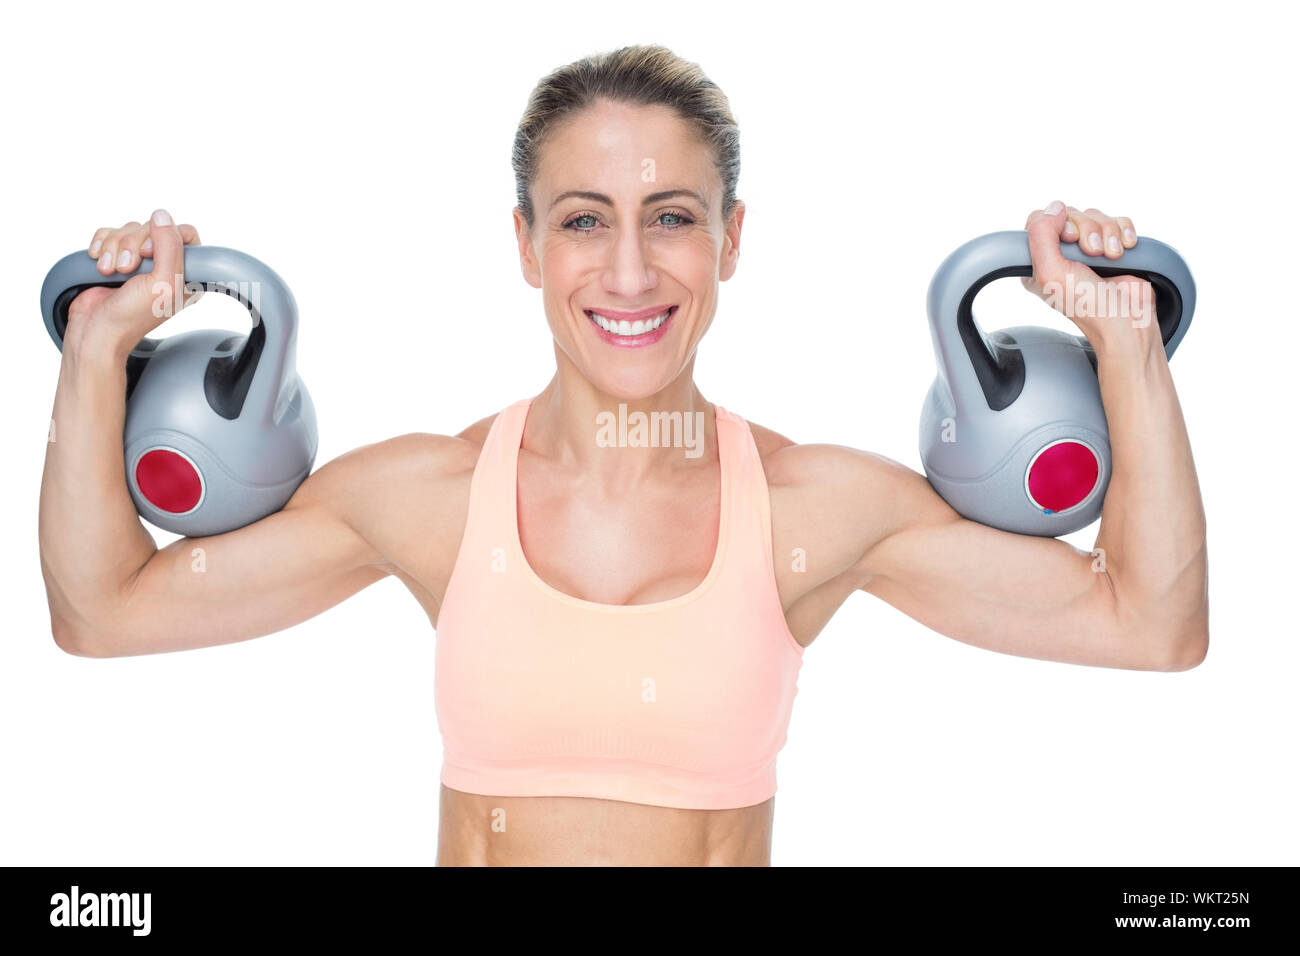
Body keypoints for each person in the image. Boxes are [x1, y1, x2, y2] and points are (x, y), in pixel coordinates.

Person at [39, 44, 1208, 866]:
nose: (633, 273)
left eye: (674, 216)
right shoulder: (428, 498)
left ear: (731, 239)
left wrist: (1124, 340)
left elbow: (1148, 624)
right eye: (585, 218)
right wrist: (97, 353)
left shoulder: (817, 508)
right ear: (526, 244)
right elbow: (103, 610)